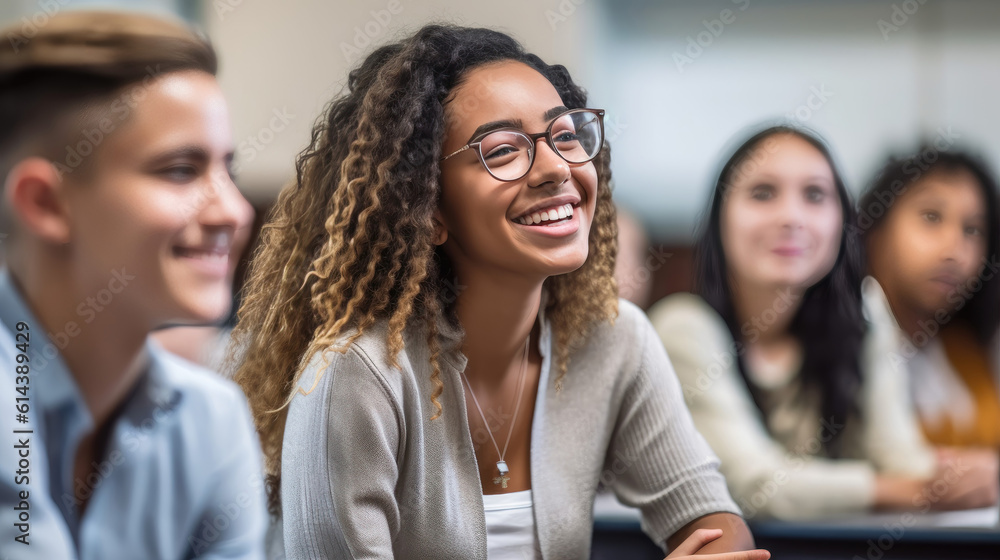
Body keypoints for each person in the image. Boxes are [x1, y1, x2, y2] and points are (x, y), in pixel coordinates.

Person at [230, 24, 767, 560]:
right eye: (504, 151)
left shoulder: (614, 338)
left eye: (565, 135)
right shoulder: (358, 373)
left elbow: (715, 526)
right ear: (429, 207)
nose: (557, 168)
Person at [0, 11, 266, 558]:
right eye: (179, 170)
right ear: (45, 203)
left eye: (228, 171)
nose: (234, 212)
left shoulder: (212, 419)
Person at [648, 126, 998, 520]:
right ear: (719, 217)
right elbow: (754, 485)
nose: (791, 217)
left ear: (842, 222)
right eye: (763, 193)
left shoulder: (865, 314)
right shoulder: (684, 327)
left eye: (815, 195)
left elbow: (901, 458)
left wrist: (963, 477)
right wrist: (914, 490)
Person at [860, 149, 1000, 450]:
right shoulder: (841, 349)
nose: (955, 250)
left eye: (972, 229)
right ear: (875, 231)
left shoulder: (967, 348)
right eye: (931, 217)